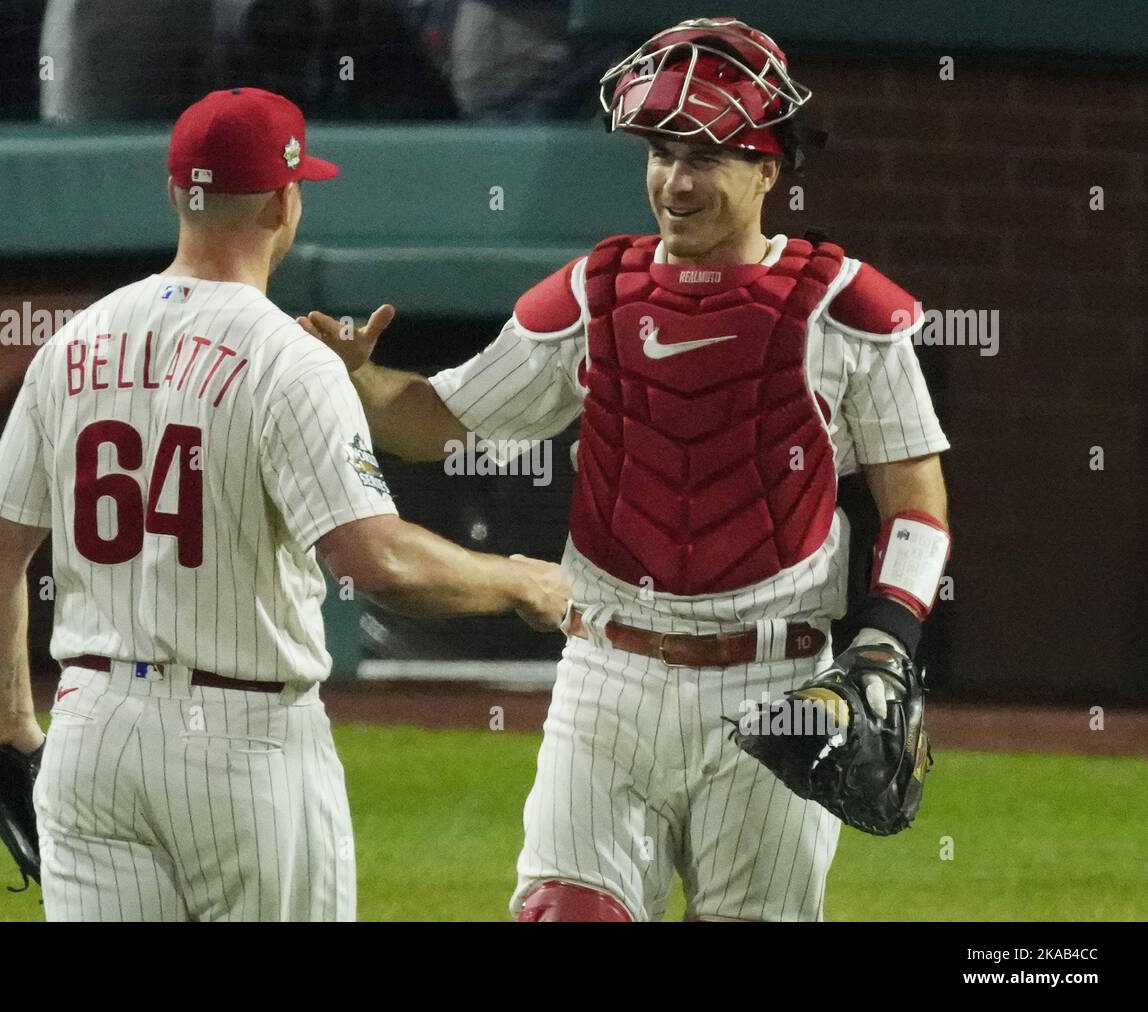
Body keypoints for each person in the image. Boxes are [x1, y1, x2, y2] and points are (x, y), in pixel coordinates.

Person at [299, 18, 951, 921]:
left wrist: (885, 641)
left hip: (780, 681)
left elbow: (916, 506)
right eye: (660, 153)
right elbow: (436, 425)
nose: (675, 182)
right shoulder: (591, 295)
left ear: (768, 170)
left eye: (706, 157)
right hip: (610, 671)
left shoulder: (847, 309)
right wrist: (356, 378)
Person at [0, 86, 568, 922]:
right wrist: (519, 582)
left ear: (176, 193)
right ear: (287, 201)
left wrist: (6, 721)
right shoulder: (290, 360)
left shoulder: (72, 341)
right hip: (243, 741)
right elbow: (377, 561)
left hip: (89, 728)